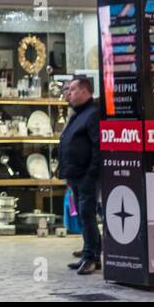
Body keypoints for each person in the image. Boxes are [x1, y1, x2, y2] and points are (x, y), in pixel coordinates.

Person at [58, 76, 102, 275]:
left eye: (73, 89)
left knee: (87, 215)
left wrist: (90, 175)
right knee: (84, 217)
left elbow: (98, 148)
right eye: (68, 89)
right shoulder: (77, 114)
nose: (69, 92)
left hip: (87, 176)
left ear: (86, 91)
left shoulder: (92, 114)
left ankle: (90, 257)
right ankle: (90, 252)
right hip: (75, 175)